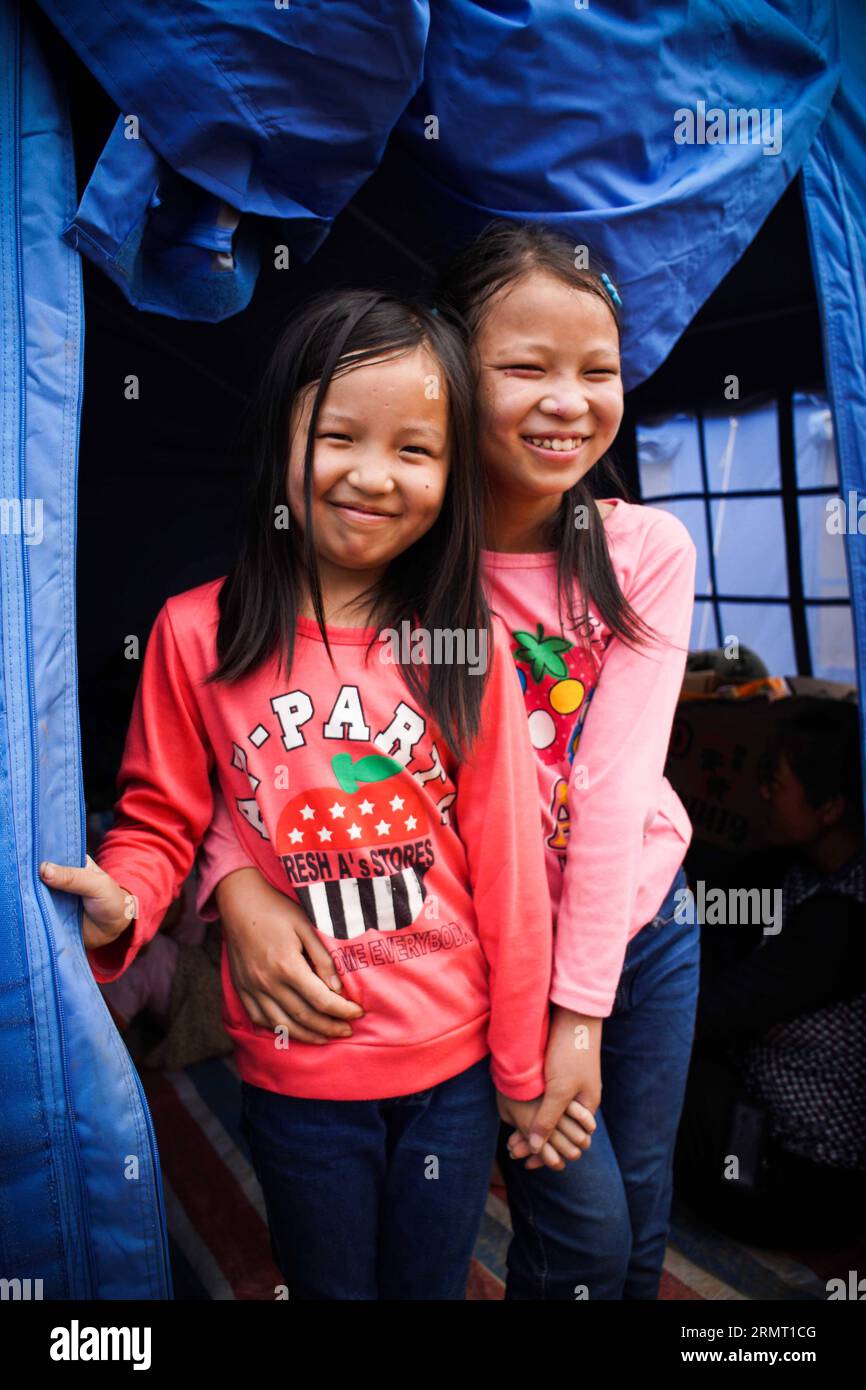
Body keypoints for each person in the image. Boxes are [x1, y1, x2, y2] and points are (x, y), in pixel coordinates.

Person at [198, 221, 700, 1299]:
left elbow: (611, 790)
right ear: (448, 378)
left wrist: (579, 1015)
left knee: (642, 1200)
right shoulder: (392, 559)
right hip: (491, 954)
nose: (566, 398)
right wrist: (229, 882)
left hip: (639, 926)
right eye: (524, 366)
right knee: (584, 1231)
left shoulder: (643, 551)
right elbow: (259, 746)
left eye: (596, 370)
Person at [38, 289, 562, 1301]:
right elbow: (161, 820)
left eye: (415, 450)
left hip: (450, 1074)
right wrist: (129, 898)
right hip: (295, 1072)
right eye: (337, 436)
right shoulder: (195, 633)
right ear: (282, 436)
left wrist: (521, 1067)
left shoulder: (468, 650)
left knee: (428, 1284)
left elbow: (508, 869)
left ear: (453, 476)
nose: (371, 475)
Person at [674, 699, 866, 1245]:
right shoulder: (797, 874)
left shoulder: (843, 921)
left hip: (799, 1179)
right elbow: (720, 889)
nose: (761, 793)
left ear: (829, 808)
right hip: (757, 1116)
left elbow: (714, 1011)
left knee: (658, 1046)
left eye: (773, 781)